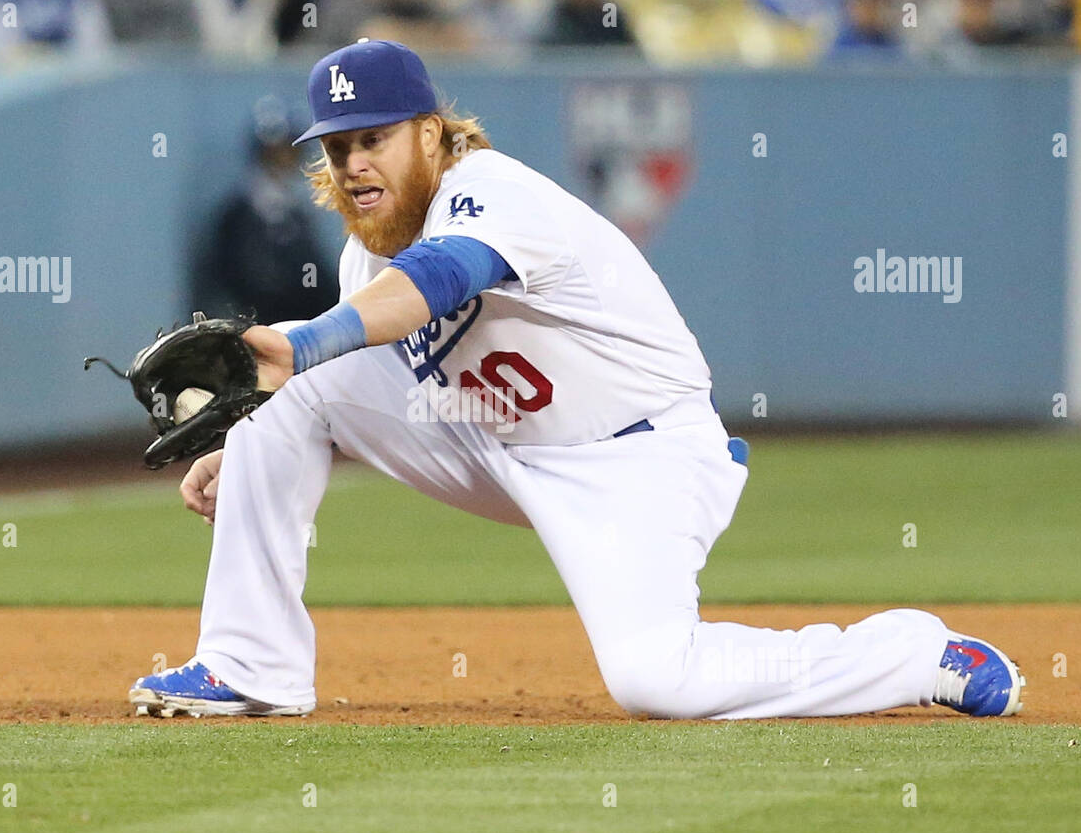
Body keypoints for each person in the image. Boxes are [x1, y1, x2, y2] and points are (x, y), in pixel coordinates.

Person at [129, 39, 1026, 721]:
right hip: (497, 440)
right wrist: (249, 452)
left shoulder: (491, 188)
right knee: (284, 377)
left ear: (432, 135)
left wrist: (305, 351)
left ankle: (915, 653)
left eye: (376, 138)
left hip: (638, 459)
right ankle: (252, 666)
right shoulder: (365, 267)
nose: (355, 162)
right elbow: (327, 360)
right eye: (337, 147)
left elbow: (441, 280)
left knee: (654, 680)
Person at [194, 96, 337, 325]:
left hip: (298, 337)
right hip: (252, 335)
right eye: (276, 154)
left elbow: (318, 283)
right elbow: (224, 284)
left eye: (290, 154)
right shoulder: (236, 217)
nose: (284, 163)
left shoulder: (297, 215)